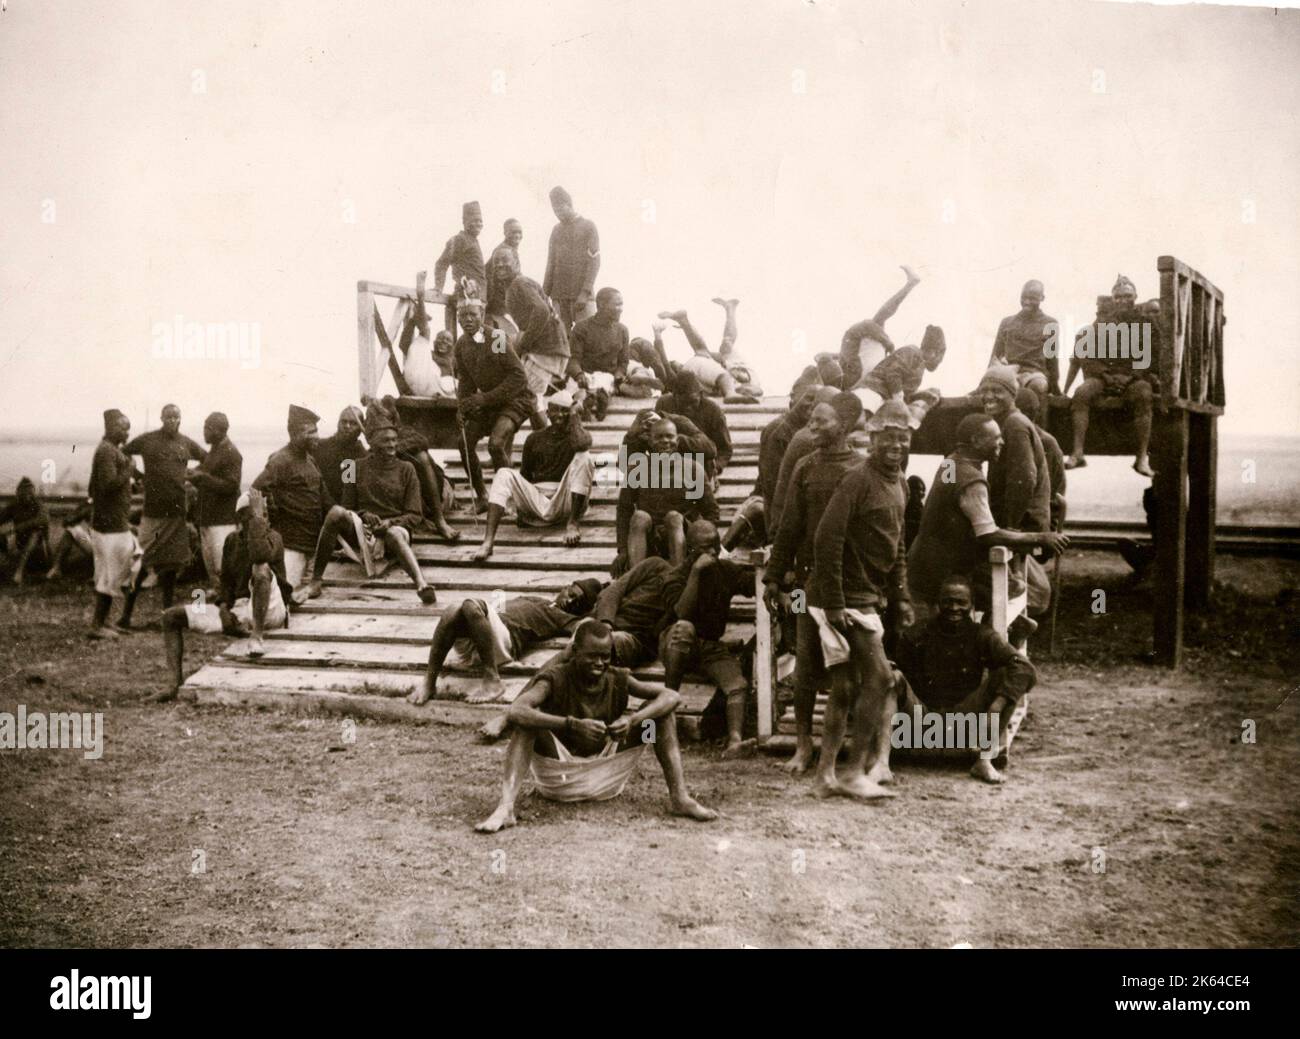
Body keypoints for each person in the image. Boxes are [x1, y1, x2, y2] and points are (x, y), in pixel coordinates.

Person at [474, 619, 715, 833]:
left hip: (608, 775)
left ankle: (679, 797)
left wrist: (632, 721)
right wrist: (570, 725)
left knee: (660, 717)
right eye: (592, 656)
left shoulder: (618, 678)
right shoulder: (555, 677)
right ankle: (506, 808)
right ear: (575, 651)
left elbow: (671, 696)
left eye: (605, 656)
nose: (599, 663)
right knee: (527, 724)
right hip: (560, 775)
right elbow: (517, 710)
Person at [807, 400, 915, 800]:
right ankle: (854, 771)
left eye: (903, 439)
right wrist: (835, 603)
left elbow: (898, 542)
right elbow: (825, 539)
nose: (896, 446)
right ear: (873, 439)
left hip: (865, 595)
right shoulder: (856, 480)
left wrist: (901, 593)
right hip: (843, 597)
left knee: (846, 687)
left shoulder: (898, 482)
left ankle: (825, 776)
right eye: (889, 438)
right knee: (881, 679)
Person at [763, 392, 866, 774]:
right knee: (805, 666)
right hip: (809, 585)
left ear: (844, 425)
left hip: (852, 584)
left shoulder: (863, 469)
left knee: (851, 669)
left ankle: (847, 746)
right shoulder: (805, 467)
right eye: (812, 420)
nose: (812, 427)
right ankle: (803, 745)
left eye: (821, 421)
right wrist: (775, 576)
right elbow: (789, 525)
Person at [907, 413, 1069, 615]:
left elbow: (948, 497)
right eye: (996, 438)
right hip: (943, 573)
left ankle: (1001, 629)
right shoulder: (972, 481)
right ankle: (992, 635)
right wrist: (1041, 537)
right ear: (976, 441)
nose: (1001, 442)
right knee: (1025, 592)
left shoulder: (951, 462)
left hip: (923, 561)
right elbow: (988, 534)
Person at [893, 576, 1037, 784]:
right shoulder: (917, 633)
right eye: (948, 601)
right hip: (921, 718)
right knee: (892, 677)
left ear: (971, 605)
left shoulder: (981, 635)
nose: (954, 608)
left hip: (964, 720)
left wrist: (996, 707)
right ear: (938, 603)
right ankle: (880, 759)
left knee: (1008, 674)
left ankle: (983, 760)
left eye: (962, 602)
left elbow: (1025, 668)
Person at [158, 489, 294, 700]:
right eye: (256, 516)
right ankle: (172, 685)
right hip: (239, 611)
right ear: (241, 518)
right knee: (171, 617)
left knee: (260, 569)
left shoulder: (274, 538)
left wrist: (257, 518)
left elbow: (259, 554)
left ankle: (256, 635)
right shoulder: (232, 541)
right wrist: (222, 609)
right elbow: (226, 584)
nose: (263, 521)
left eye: (264, 515)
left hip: (270, 610)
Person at [300, 409, 437, 604]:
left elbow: (415, 515)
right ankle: (315, 580)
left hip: (394, 531)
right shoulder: (350, 465)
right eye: (385, 440)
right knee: (335, 513)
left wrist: (389, 523)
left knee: (394, 534)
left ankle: (421, 584)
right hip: (362, 529)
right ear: (372, 443)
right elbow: (346, 506)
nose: (392, 445)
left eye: (394, 440)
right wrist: (364, 515)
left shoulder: (407, 468)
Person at [412, 578, 603, 706]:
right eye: (571, 594)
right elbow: (498, 606)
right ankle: (430, 681)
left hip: (503, 643)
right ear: (565, 588)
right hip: (479, 634)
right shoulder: (534, 599)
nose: (570, 602)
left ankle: (492, 680)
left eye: (577, 603)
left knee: (468, 605)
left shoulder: (562, 617)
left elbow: (585, 626)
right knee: (452, 611)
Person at [663, 520, 755, 758]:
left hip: (709, 647)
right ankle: (668, 704)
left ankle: (735, 742)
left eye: (715, 544)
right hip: (676, 643)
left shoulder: (723, 570)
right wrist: (695, 572)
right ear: (691, 550)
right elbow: (682, 613)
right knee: (683, 628)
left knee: (737, 686)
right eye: (706, 548)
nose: (714, 551)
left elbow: (751, 582)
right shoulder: (675, 576)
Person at [473, 391, 596, 560]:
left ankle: (573, 524)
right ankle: (487, 542)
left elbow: (582, 445)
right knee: (503, 473)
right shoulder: (534, 438)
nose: (560, 415)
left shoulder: (578, 436)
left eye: (565, 411)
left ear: (571, 413)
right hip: (538, 500)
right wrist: (521, 505)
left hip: (565, 501)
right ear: (547, 413)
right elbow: (525, 477)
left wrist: (575, 416)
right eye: (555, 410)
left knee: (584, 456)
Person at [1063, 275, 1159, 476]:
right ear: (1112, 299)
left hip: (1133, 379)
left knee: (1144, 394)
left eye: (1127, 296)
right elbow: (1087, 356)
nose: (1122, 300)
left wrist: (1131, 377)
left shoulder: (1146, 324)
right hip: (1103, 378)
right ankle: (1078, 451)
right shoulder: (1100, 323)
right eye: (1118, 297)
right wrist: (1105, 375)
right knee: (1081, 393)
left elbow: (1152, 356)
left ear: (1135, 296)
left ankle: (1142, 457)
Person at [119, 405, 205, 628]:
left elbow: (207, 458)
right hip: (153, 513)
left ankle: (167, 615)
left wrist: (194, 477)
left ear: (180, 419)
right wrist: (137, 475)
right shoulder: (147, 440)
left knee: (170, 566)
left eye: (176, 417)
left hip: (176, 513)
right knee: (141, 563)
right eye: (168, 417)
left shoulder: (185, 443)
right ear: (161, 418)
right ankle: (126, 616)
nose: (172, 420)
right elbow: (123, 452)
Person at [724, 385, 838, 552]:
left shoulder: (809, 433)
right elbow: (773, 488)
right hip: (776, 510)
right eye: (808, 398)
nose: (811, 405)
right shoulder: (782, 432)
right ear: (792, 397)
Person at [455, 295, 537, 512]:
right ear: (457, 319)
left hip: (516, 399)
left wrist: (485, 398)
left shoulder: (498, 338)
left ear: (482, 316)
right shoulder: (461, 345)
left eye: (473, 314)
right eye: (463, 316)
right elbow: (465, 381)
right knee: (464, 443)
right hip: (490, 403)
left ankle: (509, 497)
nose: (468, 320)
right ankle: (482, 496)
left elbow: (518, 377)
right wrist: (463, 407)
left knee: (496, 444)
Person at [614, 417, 718, 572]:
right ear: (650, 441)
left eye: (669, 436)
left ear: (677, 440)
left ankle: (677, 577)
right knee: (640, 516)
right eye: (659, 437)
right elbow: (624, 510)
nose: (665, 441)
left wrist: (708, 545)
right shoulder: (638, 469)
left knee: (673, 517)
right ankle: (636, 577)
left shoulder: (692, 468)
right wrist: (623, 550)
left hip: (682, 535)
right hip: (649, 537)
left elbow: (711, 511)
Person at [252, 405, 331, 591]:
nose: (316, 436)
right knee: (287, 596)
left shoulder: (310, 460)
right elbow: (255, 491)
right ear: (294, 434)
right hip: (291, 547)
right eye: (310, 432)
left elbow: (325, 500)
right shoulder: (281, 460)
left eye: (316, 430)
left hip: (313, 546)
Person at [86, 409, 139, 638]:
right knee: (108, 574)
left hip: (114, 522)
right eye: (122, 427)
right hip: (109, 525)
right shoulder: (107, 452)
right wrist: (127, 470)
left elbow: (95, 487)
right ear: (109, 428)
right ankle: (97, 625)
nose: (127, 432)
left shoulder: (110, 450)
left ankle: (104, 622)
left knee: (116, 571)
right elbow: (107, 486)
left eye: (128, 427)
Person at [840, 265, 921, 389]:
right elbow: (868, 326)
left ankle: (910, 284)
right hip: (865, 373)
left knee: (875, 322)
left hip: (862, 374)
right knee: (873, 323)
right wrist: (889, 344)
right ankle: (910, 284)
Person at [504, 274, 572, 418]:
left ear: (516, 262)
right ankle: (541, 436)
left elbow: (542, 310)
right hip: (548, 347)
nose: (500, 265)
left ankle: (544, 436)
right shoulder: (514, 286)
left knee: (530, 396)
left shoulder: (520, 282)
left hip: (546, 349)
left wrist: (523, 345)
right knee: (531, 397)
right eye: (497, 261)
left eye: (504, 259)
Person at [188, 411, 242, 589]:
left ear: (219, 431)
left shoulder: (231, 453)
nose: (204, 432)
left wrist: (202, 478)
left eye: (207, 428)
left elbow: (232, 485)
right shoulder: (215, 450)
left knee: (223, 569)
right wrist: (194, 473)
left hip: (222, 522)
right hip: (208, 519)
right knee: (211, 569)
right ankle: (215, 606)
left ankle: (227, 609)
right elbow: (207, 470)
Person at [989, 280, 1061, 412]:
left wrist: (1055, 386)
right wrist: (988, 378)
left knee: (1039, 387)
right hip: (1009, 372)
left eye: (1032, 298)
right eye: (1024, 297)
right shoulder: (1007, 322)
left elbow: (1052, 360)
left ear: (1042, 298)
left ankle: (1035, 430)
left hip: (1034, 373)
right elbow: (995, 356)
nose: (1027, 302)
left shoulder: (1050, 323)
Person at [654, 370, 733, 478]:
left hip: (700, 460)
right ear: (674, 396)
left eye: (693, 402)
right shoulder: (664, 403)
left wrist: (717, 467)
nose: (688, 408)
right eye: (683, 403)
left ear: (700, 395)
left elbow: (725, 449)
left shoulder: (712, 410)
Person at [542, 186, 600, 333]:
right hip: (559, 296)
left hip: (581, 295)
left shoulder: (588, 226)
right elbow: (551, 263)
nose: (558, 214)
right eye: (555, 211)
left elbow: (594, 262)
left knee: (589, 335)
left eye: (561, 209)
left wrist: (585, 292)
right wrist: (544, 294)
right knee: (561, 337)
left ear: (569, 205)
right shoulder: (556, 230)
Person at [855, 325, 947, 417]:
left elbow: (905, 392)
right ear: (933, 351)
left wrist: (919, 394)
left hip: (883, 398)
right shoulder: (912, 352)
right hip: (873, 390)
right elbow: (893, 372)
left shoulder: (920, 366)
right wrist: (898, 396)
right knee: (862, 419)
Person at [569, 287, 630, 412]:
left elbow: (623, 362)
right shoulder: (581, 328)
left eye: (621, 304)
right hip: (585, 376)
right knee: (576, 388)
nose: (621, 309)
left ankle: (596, 398)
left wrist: (619, 375)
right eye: (617, 304)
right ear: (601, 305)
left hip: (608, 377)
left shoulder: (622, 330)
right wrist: (579, 375)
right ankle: (584, 401)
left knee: (605, 385)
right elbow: (573, 360)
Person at [433, 200, 487, 304]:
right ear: (465, 222)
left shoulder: (473, 241)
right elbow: (442, 263)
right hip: (466, 296)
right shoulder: (460, 239)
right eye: (475, 221)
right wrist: (438, 287)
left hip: (479, 298)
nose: (479, 224)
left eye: (480, 221)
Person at [312, 406, 367, 504]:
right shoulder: (319, 446)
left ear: (360, 429)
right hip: (317, 503)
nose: (347, 426)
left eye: (353, 423)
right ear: (338, 424)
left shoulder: (362, 456)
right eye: (344, 422)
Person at [1, 477, 51, 584]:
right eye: (23, 491)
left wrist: (15, 528)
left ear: (33, 493)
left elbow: (43, 519)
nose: (26, 495)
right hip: (21, 549)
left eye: (29, 491)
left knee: (36, 533)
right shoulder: (14, 506)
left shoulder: (39, 506)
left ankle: (19, 572)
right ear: (18, 493)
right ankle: (5, 564)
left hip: (40, 554)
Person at [45, 500, 94, 581]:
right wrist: (82, 510)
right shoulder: (90, 506)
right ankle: (56, 568)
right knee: (72, 530)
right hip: (97, 549)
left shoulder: (112, 505)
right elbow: (67, 522)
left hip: (111, 551)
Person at [486, 218, 523, 319]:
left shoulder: (512, 250)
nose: (517, 235)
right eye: (513, 232)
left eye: (519, 232)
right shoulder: (502, 251)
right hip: (500, 303)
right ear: (505, 233)